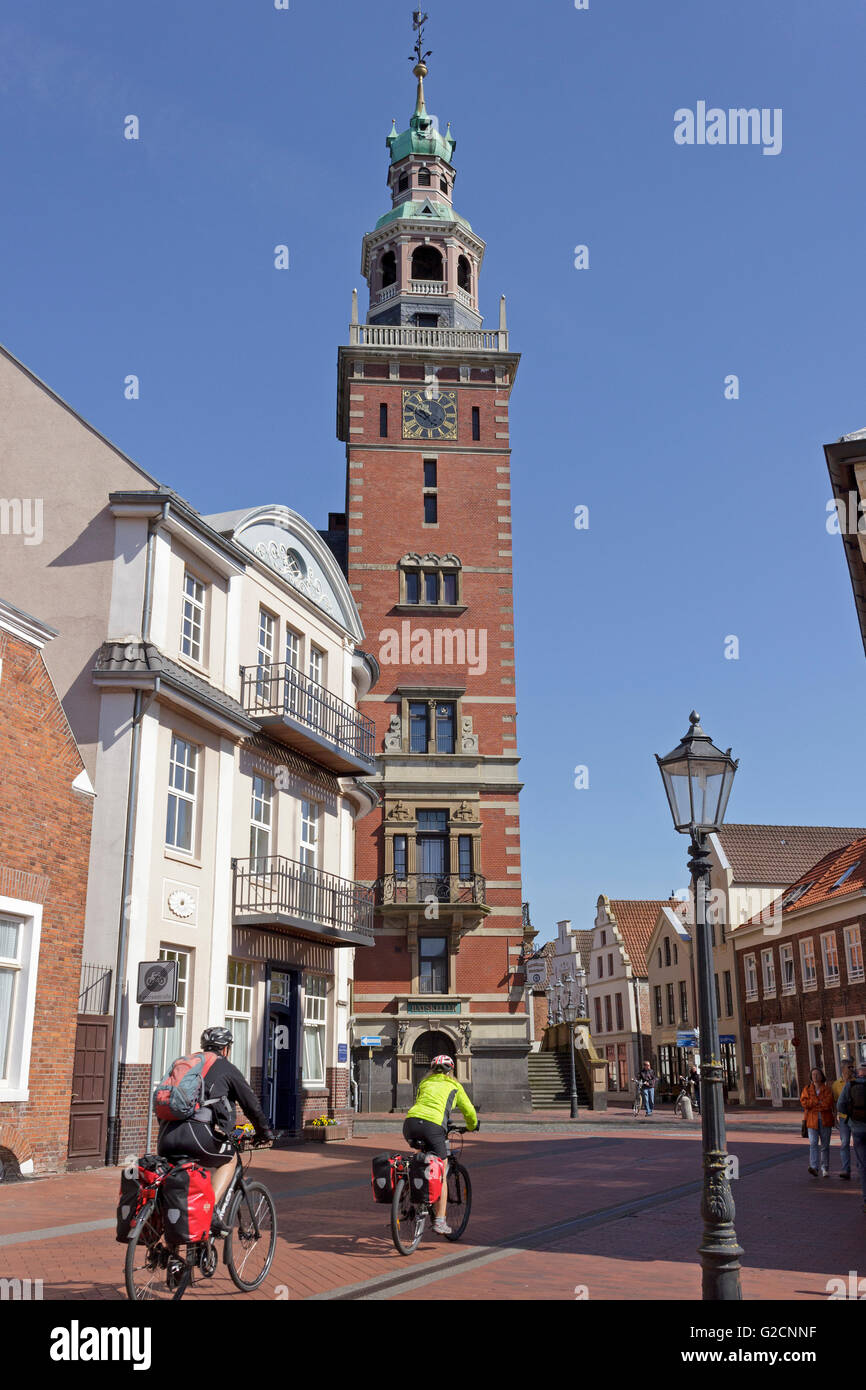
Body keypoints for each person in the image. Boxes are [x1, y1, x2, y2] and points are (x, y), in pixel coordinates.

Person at [157, 1026, 275, 1235]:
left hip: (166, 1136)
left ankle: (174, 1253)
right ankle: (208, 1212)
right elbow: (251, 1105)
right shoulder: (225, 1067)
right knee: (228, 1159)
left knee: (183, 1175)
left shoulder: (186, 1063)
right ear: (226, 1049)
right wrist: (264, 1132)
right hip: (197, 1136)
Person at [403, 1054, 478, 1235]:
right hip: (433, 1127)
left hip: (410, 1124)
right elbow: (469, 1111)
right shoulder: (454, 1085)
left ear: (431, 1069)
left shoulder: (424, 1083)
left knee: (422, 1160)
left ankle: (408, 1193)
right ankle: (440, 1221)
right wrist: (472, 1126)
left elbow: (423, 1103)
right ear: (451, 1070)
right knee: (442, 1173)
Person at [835, 1060, 866, 1212]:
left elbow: (840, 1105)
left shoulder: (851, 1085)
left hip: (858, 1128)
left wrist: (852, 1116)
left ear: (858, 1072)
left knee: (862, 1163)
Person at [800, 1066, 834, 1178]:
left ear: (821, 1076)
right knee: (813, 1143)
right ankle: (814, 1167)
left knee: (825, 1145)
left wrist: (814, 1104)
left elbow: (828, 1104)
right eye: (813, 1074)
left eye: (817, 1074)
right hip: (811, 1121)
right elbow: (804, 1103)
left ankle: (825, 1168)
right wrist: (817, 1102)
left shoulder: (827, 1089)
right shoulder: (807, 1089)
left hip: (825, 1121)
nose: (815, 1076)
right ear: (811, 1076)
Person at [832, 1060, 856, 1181]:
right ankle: (846, 1169)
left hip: (856, 1118)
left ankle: (861, 1167)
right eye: (849, 1067)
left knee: (859, 1143)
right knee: (844, 1143)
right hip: (843, 1119)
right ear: (842, 1069)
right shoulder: (836, 1084)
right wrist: (834, 1118)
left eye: (852, 1066)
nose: (852, 1069)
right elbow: (835, 1102)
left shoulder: (857, 1082)